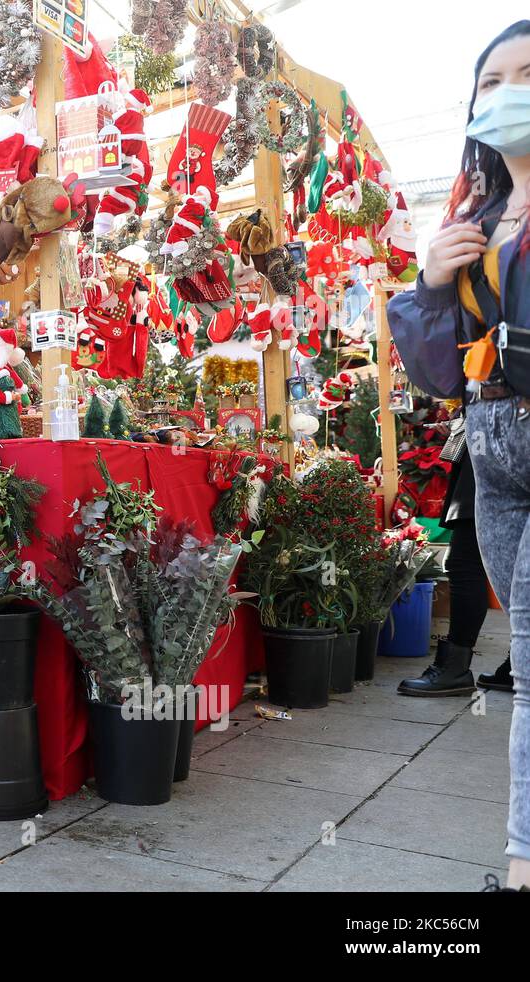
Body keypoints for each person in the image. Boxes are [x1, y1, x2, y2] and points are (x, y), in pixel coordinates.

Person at [387, 20, 530, 889]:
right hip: (497, 453)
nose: (509, 90)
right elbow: (440, 372)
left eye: (528, 72)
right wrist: (433, 284)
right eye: (493, 81)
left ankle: (519, 868)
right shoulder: (475, 217)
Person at [398, 436, 487, 696]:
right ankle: (519, 663)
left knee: (465, 561)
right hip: (502, 446)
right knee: (513, 566)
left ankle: (455, 668)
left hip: (497, 450)